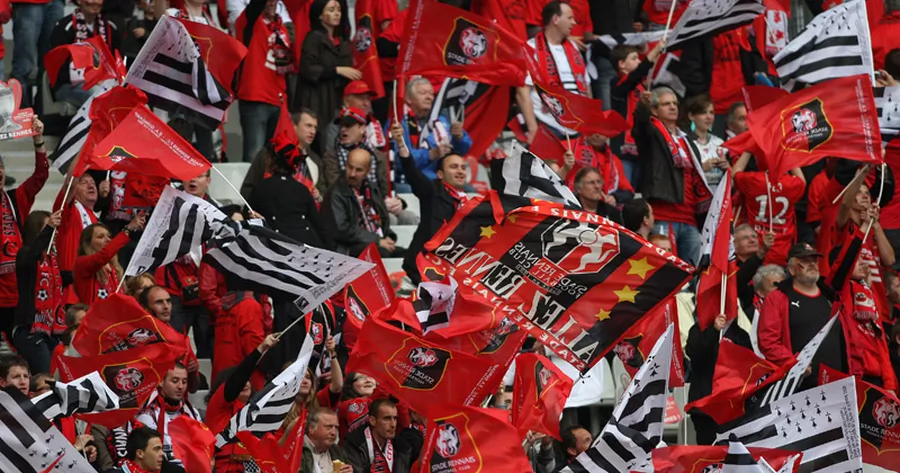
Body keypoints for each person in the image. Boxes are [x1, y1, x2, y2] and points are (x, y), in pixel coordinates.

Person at [634, 87, 710, 266]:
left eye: (675, 103)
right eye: (666, 104)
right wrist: (642, 107)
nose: (673, 107)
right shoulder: (652, 135)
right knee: (665, 270)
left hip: (690, 219)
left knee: (693, 272)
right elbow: (641, 127)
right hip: (664, 215)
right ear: (654, 110)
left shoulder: (687, 140)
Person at [758, 243, 844, 391]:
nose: (812, 264)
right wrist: (794, 363)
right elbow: (768, 341)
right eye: (805, 261)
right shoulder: (777, 298)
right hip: (799, 387)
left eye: (814, 260)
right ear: (791, 269)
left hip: (836, 385)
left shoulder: (831, 296)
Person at [391, 120, 466, 284]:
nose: (460, 171)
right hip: (424, 270)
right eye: (454, 167)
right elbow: (412, 172)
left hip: (454, 272)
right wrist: (400, 143)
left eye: (463, 167)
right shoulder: (432, 192)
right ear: (440, 174)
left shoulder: (471, 202)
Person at [0, 117, 48, 345]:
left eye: (0, 167)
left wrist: (38, 140)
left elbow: (41, 175)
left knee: (19, 349)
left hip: (18, 290)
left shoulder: (15, 199)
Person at [516, 1, 588, 148]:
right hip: (548, 127)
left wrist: (589, 122)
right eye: (569, 18)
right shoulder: (531, 48)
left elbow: (586, 87)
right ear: (555, 19)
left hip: (577, 128)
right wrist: (532, 128)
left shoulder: (573, 48)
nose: (574, 23)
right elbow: (522, 92)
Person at [206, 334, 279, 473]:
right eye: (241, 381)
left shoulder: (256, 413)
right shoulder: (218, 407)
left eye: (247, 380)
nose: (244, 383)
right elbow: (237, 379)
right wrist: (260, 349)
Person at [248, 135, 332, 248]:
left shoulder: (261, 188)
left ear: (272, 160)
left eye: (267, 156)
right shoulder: (303, 190)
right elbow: (319, 226)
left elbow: (247, 217)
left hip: (273, 248)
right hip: (304, 249)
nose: (265, 160)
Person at [236, 0, 292, 162]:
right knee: (254, 157)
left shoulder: (281, 28)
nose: (272, 3)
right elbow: (255, 7)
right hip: (255, 99)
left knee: (274, 159)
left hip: (278, 100)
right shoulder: (250, 22)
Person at [321, 148, 402, 257]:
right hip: (347, 247)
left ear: (368, 171)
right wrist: (377, 240)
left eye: (359, 170)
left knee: (408, 255)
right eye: (350, 167)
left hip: (373, 239)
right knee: (383, 253)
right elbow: (342, 230)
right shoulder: (336, 193)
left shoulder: (372, 188)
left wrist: (388, 236)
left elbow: (381, 219)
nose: (352, 174)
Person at [293, 0, 358, 137]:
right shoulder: (313, 38)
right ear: (320, 15)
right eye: (331, 10)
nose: (337, 14)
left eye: (339, 10)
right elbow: (307, 68)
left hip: (335, 99)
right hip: (316, 99)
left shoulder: (341, 41)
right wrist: (337, 70)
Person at [390, 77, 472, 180]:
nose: (429, 97)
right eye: (423, 93)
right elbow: (398, 161)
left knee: (469, 188)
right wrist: (430, 154)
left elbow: (461, 151)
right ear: (408, 98)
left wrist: (459, 137)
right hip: (410, 181)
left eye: (431, 93)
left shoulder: (440, 121)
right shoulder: (398, 122)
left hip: (441, 179)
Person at [733, 153, 806, 266]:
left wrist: (748, 150)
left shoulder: (753, 180)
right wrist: (788, 153)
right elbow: (802, 181)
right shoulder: (790, 183)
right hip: (783, 251)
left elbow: (735, 173)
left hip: (756, 251)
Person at [13, 210, 63, 374]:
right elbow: (31, 257)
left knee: (55, 377)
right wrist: (48, 230)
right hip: (30, 329)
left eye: (54, 228)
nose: (54, 232)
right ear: (36, 230)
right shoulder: (24, 253)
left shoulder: (52, 260)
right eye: (48, 227)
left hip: (52, 331)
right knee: (46, 377)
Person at [609, 40, 665, 186]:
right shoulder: (617, 83)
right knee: (625, 191)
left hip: (642, 148)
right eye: (634, 58)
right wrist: (655, 51)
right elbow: (636, 75)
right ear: (621, 64)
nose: (639, 61)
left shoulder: (641, 86)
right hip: (624, 150)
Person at [48, 0, 120, 107]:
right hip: (68, 86)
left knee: (125, 94)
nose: (95, 2)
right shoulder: (64, 27)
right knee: (98, 94)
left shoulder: (110, 28)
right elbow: (57, 68)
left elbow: (118, 61)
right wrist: (91, 78)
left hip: (105, 83)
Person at [241, 109, 324, 201]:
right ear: (294, 126)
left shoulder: (315, 160)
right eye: (308, 126)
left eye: (315, 127)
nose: (313, 131)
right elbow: (247, 189)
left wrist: (319, 196)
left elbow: (322, 191)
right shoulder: (268, 154)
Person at [135, 363, 202, 468]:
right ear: (161, 381)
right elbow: (149, 459)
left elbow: (203, 446)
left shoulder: (192, 412)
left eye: (184, 382)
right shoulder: (147, 414)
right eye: (175, 381)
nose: (180, 386)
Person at [73, 216, 145, 304]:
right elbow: (103, 256)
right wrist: (128, 229)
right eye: (100, 237)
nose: (108, 240)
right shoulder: (82, 263)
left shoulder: (115, 267)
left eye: (109, 236)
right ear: (87, 244)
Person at [322, 107, 389, 196]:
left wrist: (392, 200)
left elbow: (386, 189)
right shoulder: (332, 156)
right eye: (341, 125)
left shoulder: (378, 156)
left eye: (348, 125)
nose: (343, 129)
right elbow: (334, 189)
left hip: (376, 201)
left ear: (362, 128)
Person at [9, 0, 64, 109]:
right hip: (27, 3)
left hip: (56, 2)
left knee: (51, 64)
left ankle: (43, 112)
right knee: (24, 66)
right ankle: (21, 113)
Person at [344, 398, 421, 473]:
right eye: (387, 418)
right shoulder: (354, 445)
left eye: (395, 418)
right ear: (372, 421)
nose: (393, 425)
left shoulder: (402, 448)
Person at [212, 290, 265, 389]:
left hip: (221, 376)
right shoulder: (250, 306)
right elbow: (254, 347)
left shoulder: (224, 305)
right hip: (244, 380)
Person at [568, 134, 634, 204]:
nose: (597, 135)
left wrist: (614, 197)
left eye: (602, 132)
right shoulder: (569, 149)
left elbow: (628, 192)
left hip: (601, 205)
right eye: (594, 129)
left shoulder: (614, 161)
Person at [324, 81, 384, 154]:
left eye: (368, 99)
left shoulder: (374, 123)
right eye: (361, 98)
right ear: (346, 102)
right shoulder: (335, 126)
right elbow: (331, 156)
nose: (366, 103)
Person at [687, 96, 728, 187]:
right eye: (703, 112)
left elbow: (732, 180)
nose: (709, 117)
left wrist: (727, 168)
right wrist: (702, 169)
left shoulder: (719, 143)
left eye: (711, 112)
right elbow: (682, 178)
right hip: (697, 193)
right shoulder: (685, 143)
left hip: (719, 193)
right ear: (691, 116)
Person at [301, 408, 353, 473]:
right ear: (312, 429)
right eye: (329, 427)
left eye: (336, 428)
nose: (334, 433)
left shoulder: (338, 451)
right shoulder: (297, 451)